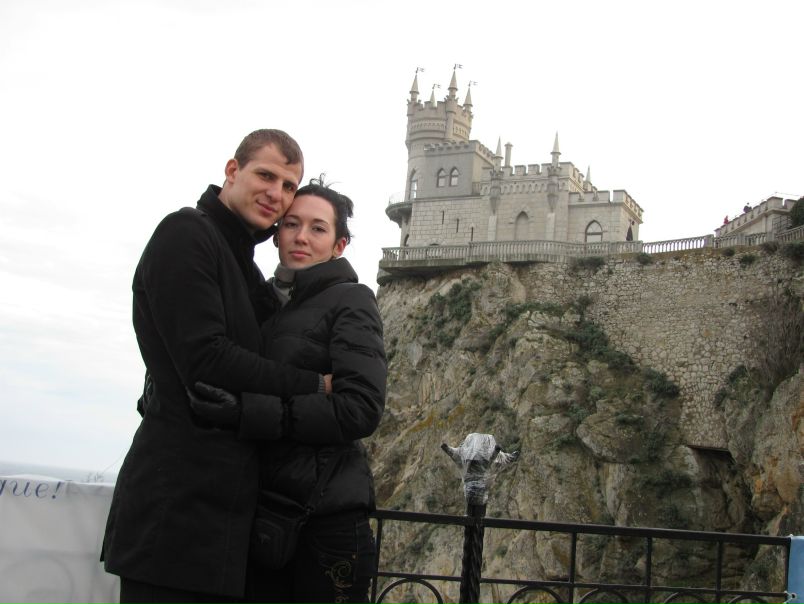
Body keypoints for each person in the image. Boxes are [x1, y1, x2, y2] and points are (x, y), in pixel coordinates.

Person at [102, 129, 330, 603]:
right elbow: (206, 358)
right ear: (232, 170)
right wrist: (313, 384)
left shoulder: (240, 260)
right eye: (265, 175)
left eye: (288, 185)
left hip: (222, 519)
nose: (276, 194)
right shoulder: (185, 234)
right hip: (173, 512)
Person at [190, 180, 386, 603]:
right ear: (276, 234)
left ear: (339, 245)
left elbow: (360, 408)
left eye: (318, 228)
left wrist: (249, 413)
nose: (301, 237)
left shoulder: (352, 300)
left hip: (326, 519)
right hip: (262, 515)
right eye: (291, 224)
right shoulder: (261, 302)